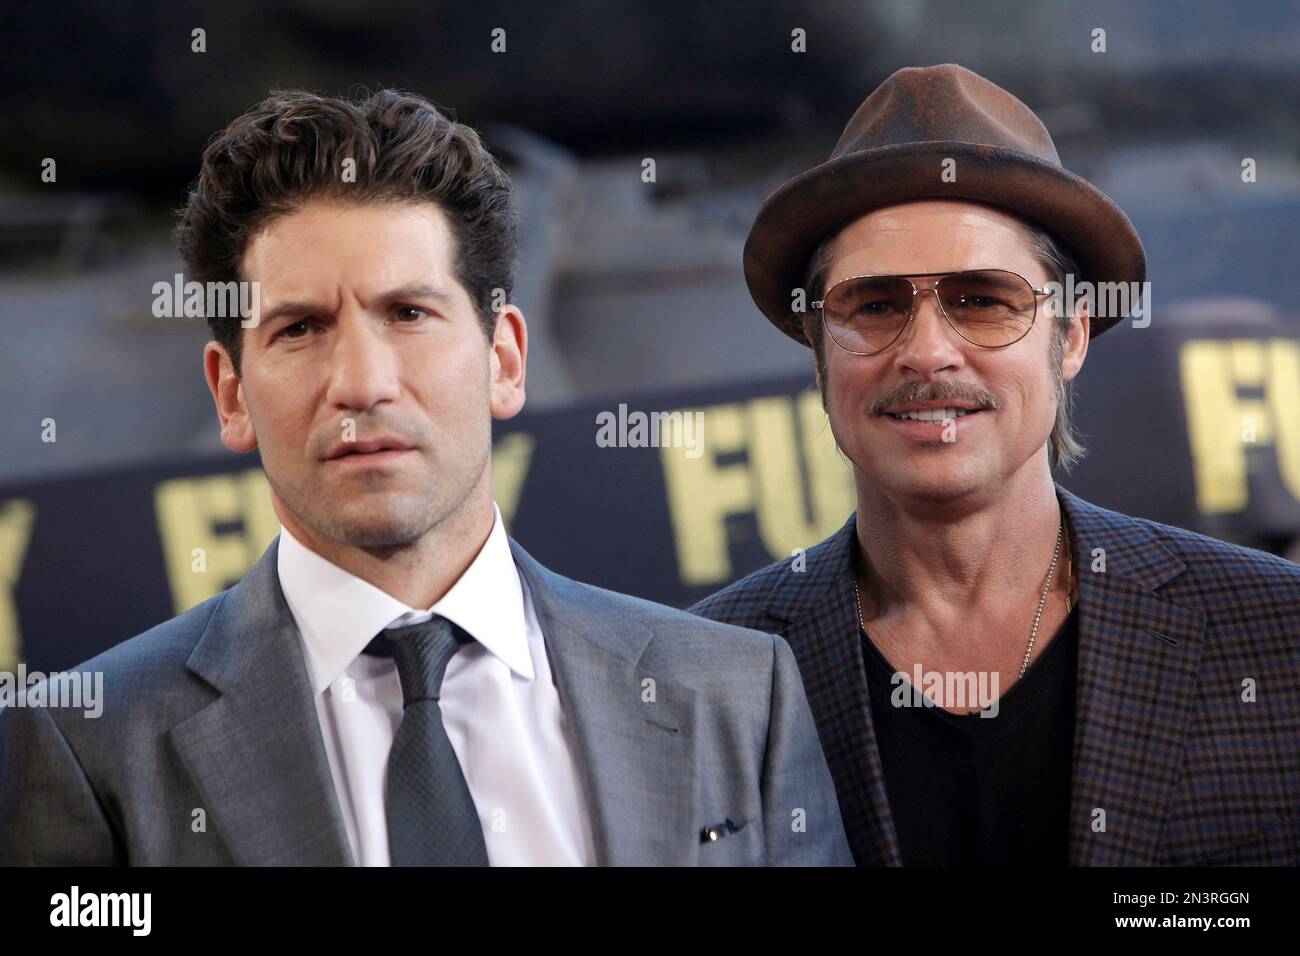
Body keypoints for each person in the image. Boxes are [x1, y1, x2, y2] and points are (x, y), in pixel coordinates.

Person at [0, 89, 850, 867]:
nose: (362, 382)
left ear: (504, 359)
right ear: (232, 394)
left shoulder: (738, 697)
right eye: (300, 329)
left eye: (409, 313)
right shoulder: (92, 744)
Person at [692, 64, 1300, 866]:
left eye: (983, 300)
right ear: (818, 348)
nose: (929, 353)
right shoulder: (700, 679)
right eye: (874, 306)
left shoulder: (1277, 635)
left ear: (1071, 337)